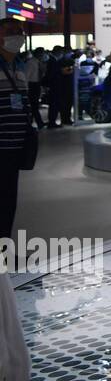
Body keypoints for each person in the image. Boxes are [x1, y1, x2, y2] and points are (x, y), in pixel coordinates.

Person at [1, 17, 33, 241]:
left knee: (8, 201)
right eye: (9, 31)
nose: (16, 36)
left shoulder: (19, 67)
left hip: (14, 147)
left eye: (19, 31)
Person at [43, 45, 74, 128]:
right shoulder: (53, 61)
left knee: (56, 104)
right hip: (55, 86)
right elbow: (53, 74)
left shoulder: (55, 60)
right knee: (54, 105)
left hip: (56, 86)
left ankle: (54, 121)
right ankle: (52, 122)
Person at [22, 47, 45, 130]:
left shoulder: (38, 62)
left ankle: (31, 122)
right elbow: (26, 76)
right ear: (38, 54)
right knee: (33, 105)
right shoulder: (30, 62)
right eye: (42, 53)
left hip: (37, 85)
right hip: (32, 85)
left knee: (34, 105)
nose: (43, 55)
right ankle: (39, 123)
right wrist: (26, 88)